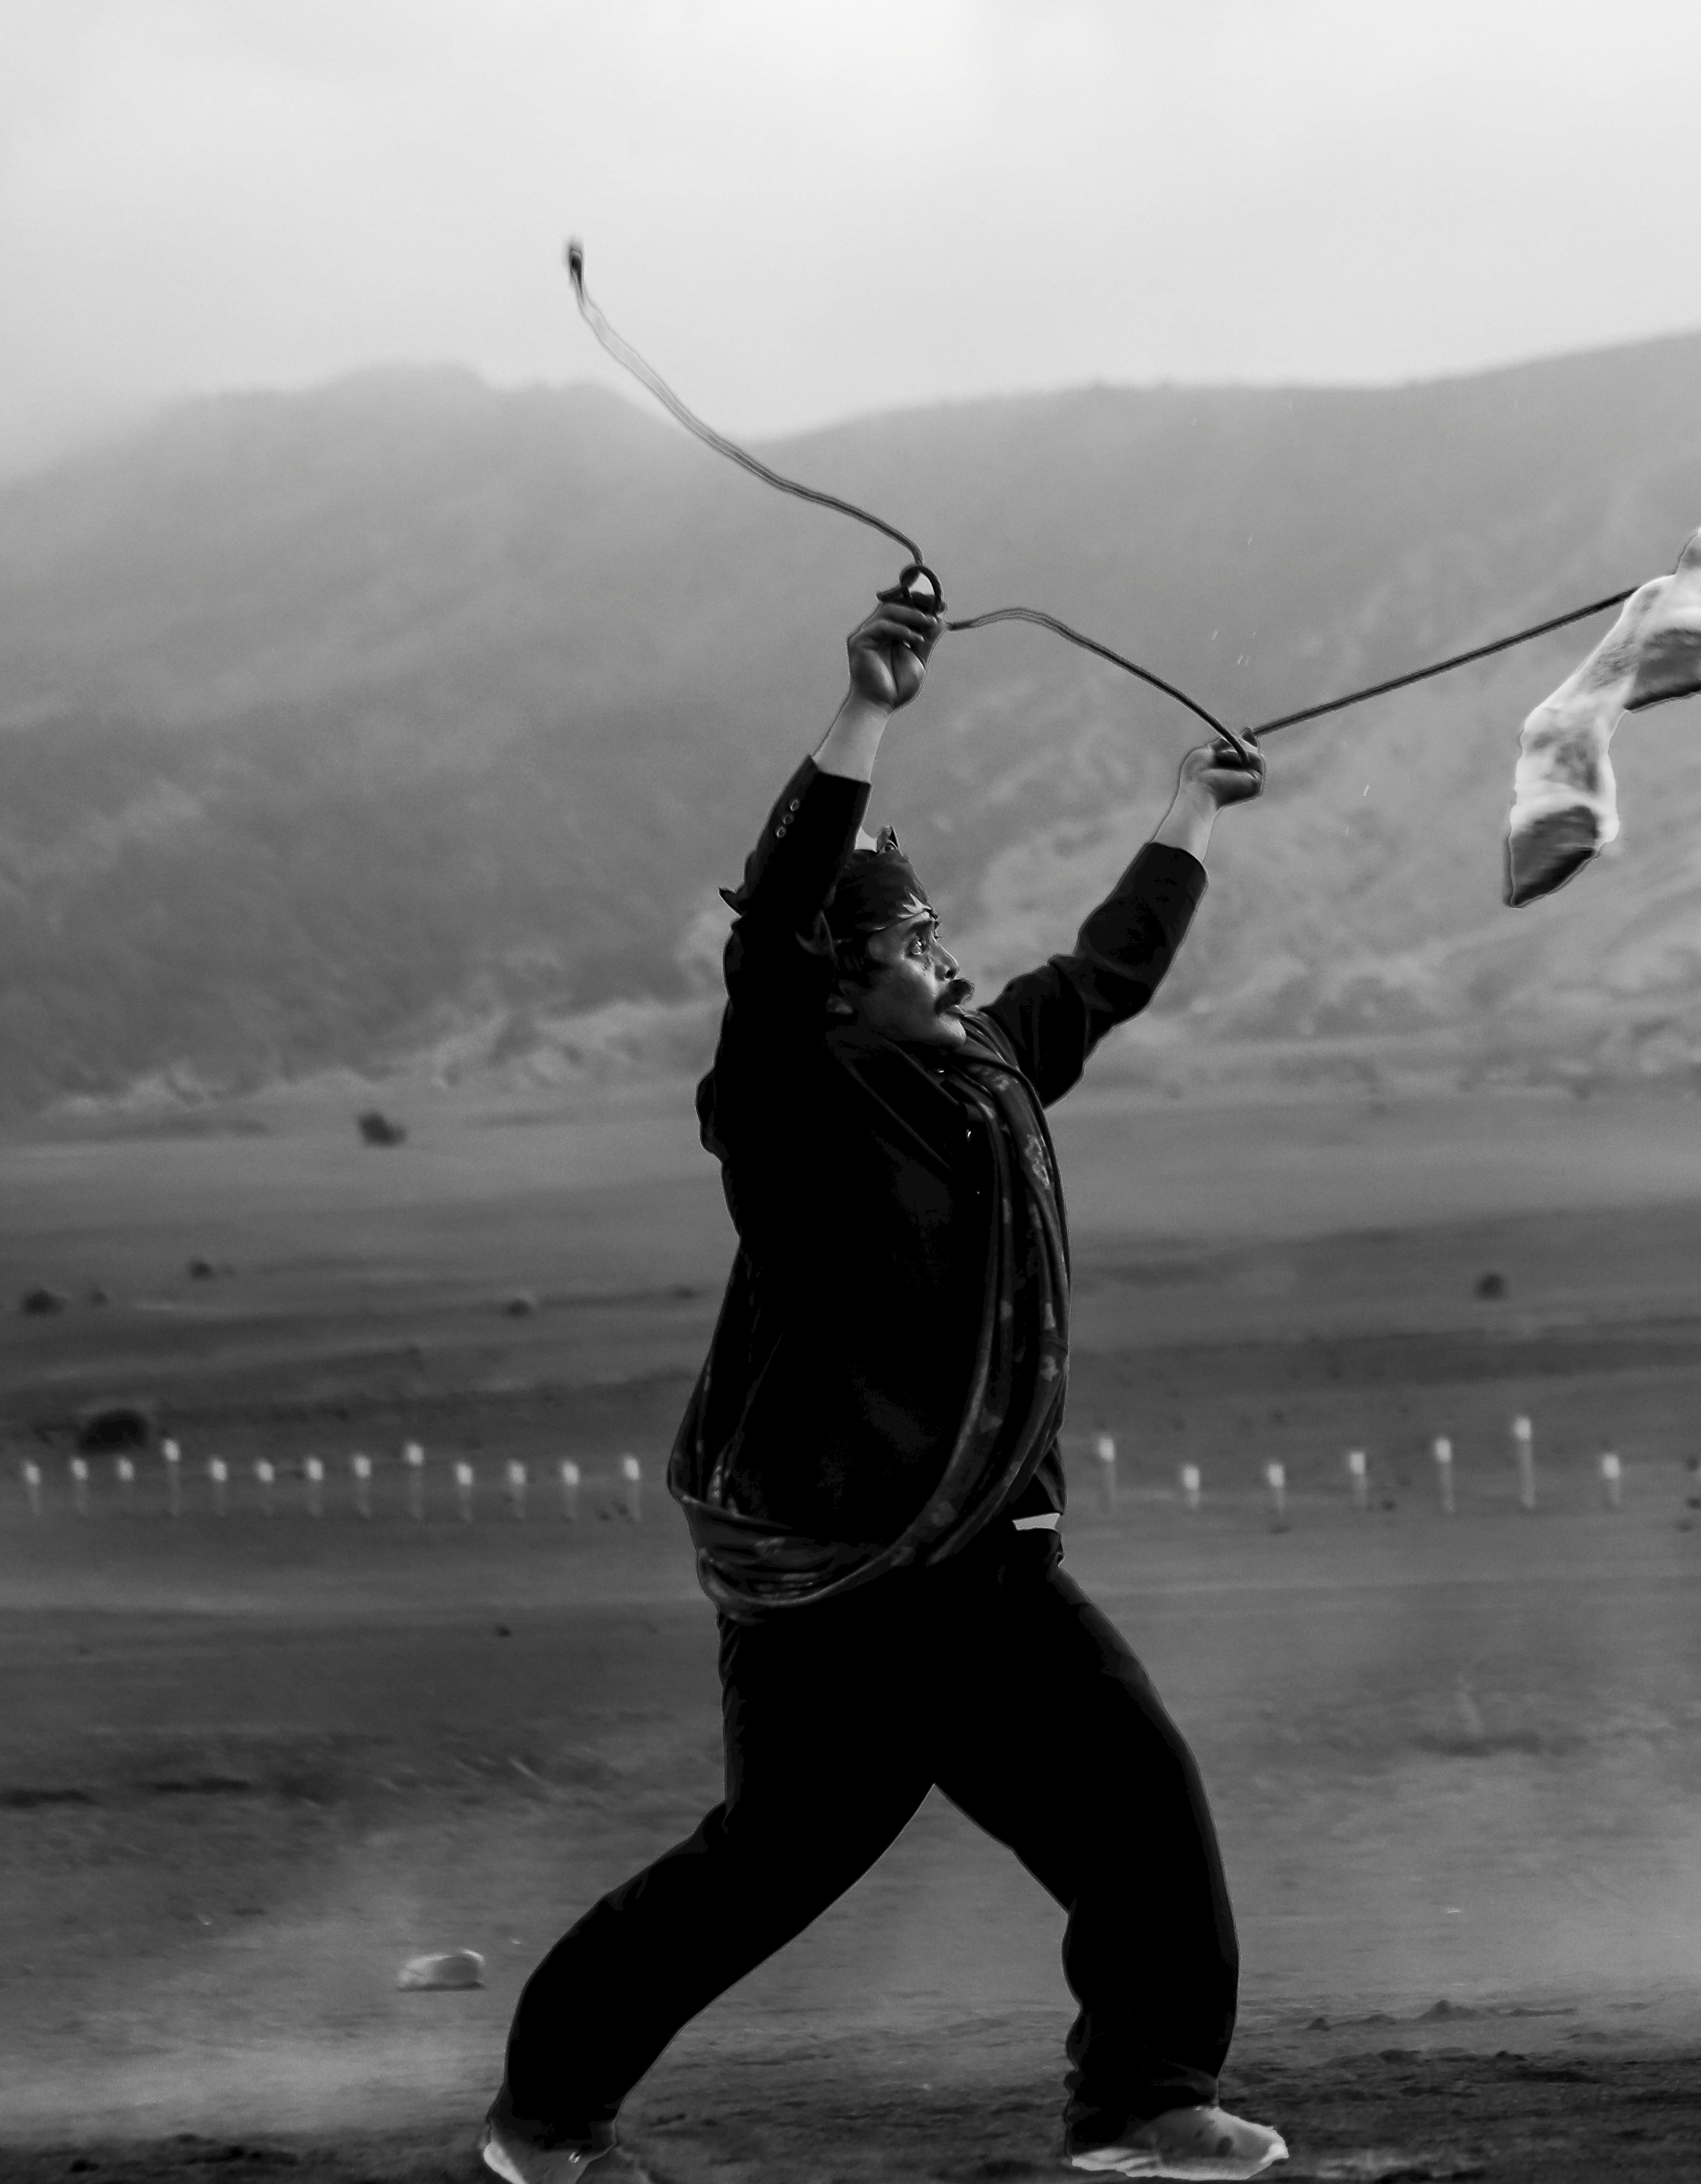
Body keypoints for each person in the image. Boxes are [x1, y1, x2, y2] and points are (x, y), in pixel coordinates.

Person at [479, 591, 1285, 2184]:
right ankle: (543, 2125)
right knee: (757, 1877)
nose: (946, 959)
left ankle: (1139, 2107)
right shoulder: (786, 1116)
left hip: (994, 1575)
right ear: (836, 983)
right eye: (913, 945)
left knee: (1145, 1823)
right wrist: (864, 713)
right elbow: (767, 928)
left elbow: (1103, 976)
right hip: (841, 1602)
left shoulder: (979, 1077)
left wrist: (1189, 812)